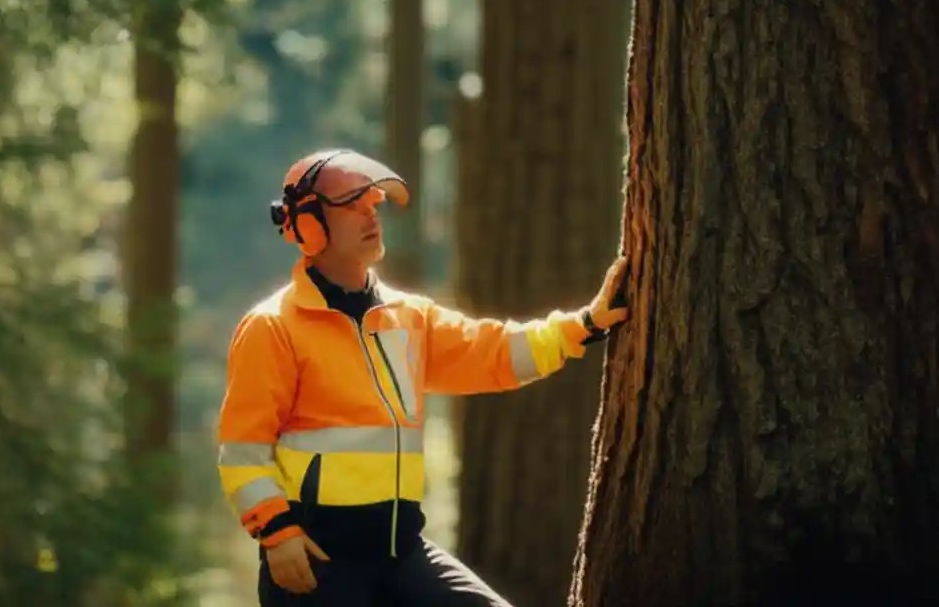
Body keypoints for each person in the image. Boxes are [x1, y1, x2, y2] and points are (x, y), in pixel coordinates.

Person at [216, 149, 630, 606]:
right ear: (309, 226)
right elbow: (242, 451)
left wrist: (585, 325)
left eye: (373, 204)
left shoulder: (410, 317)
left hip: (401, 552)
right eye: (352, 206)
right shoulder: (272, 327)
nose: (371, 214)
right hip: (316, 559)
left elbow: (494, 352)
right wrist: (276, 531)